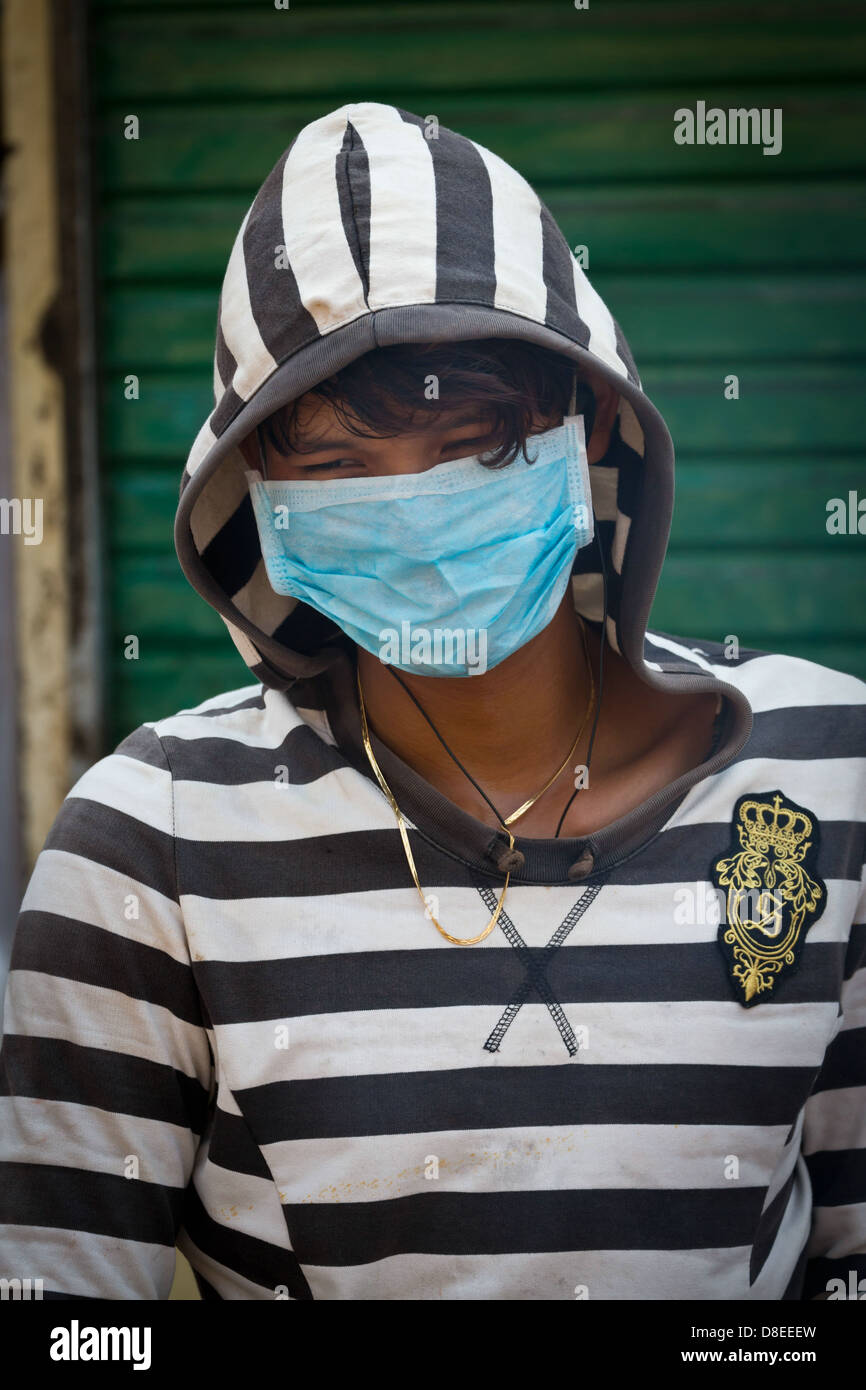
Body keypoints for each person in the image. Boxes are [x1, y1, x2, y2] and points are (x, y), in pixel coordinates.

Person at [1, 101, 863, 1302]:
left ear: (593, 423)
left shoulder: (828, 775)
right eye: (339, 469)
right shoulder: (148, 849)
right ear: (256, 494)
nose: (413, 511)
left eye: (471, 440)